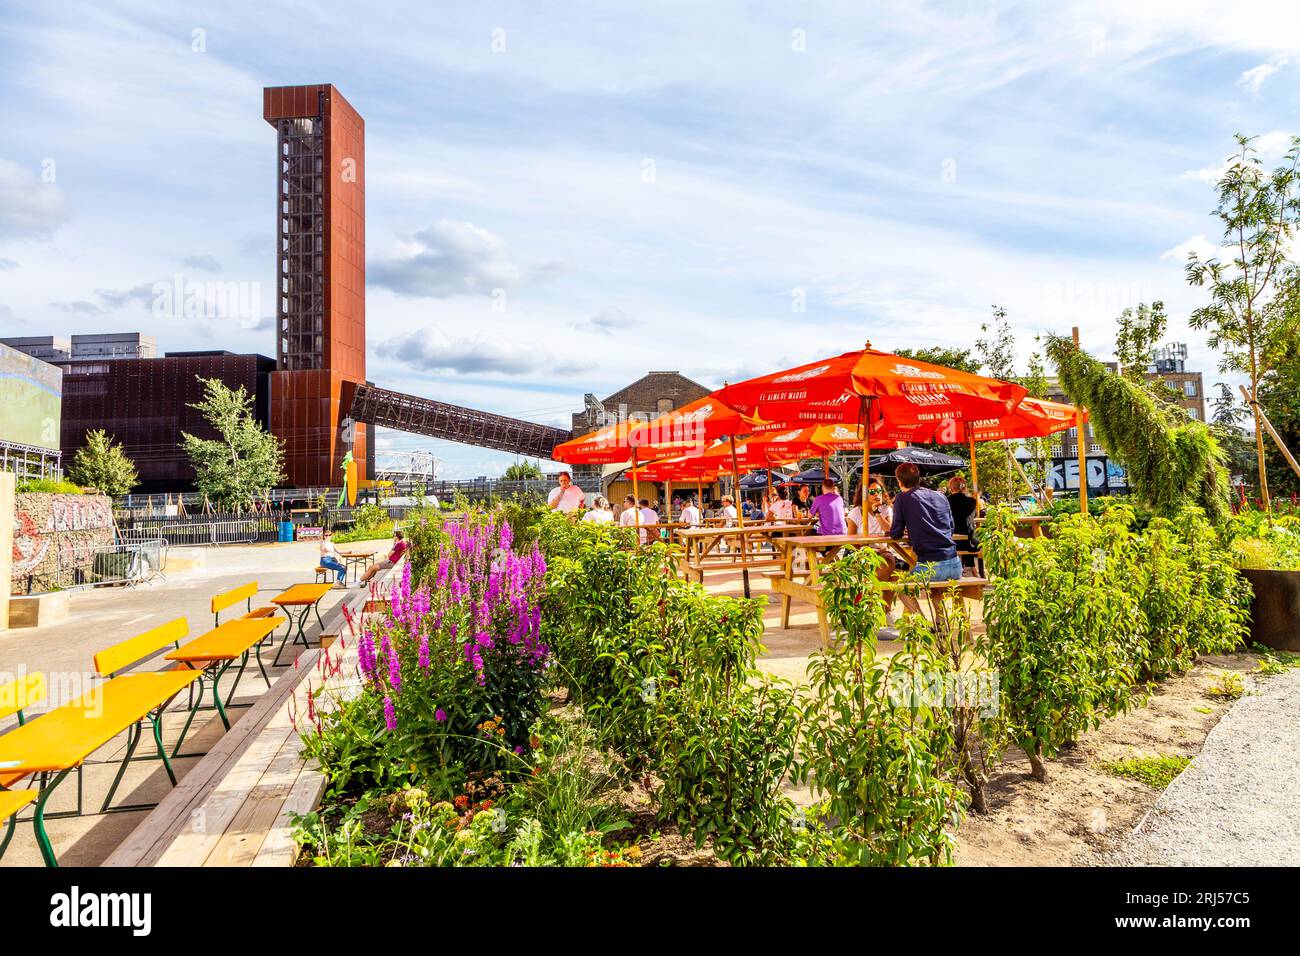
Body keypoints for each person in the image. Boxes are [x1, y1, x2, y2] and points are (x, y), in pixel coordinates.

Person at [889, 463, 960, 584]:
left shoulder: (902, 498)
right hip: (955, 564)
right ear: (918, 478)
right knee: (936, 593)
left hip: (930, 566)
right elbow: (951, 528)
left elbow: (895, 534)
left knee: (897, 586)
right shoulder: (941, 496)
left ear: (899, 482)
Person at [946, 475, 980, 574]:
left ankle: (966, 568)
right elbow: (974, 516)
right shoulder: (972, 501)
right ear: (964, 487)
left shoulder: (946, 501)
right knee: (967, 531)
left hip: (951, 542)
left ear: (951, 488)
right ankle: (971, 567)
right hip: (971, 542)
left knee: (959, 532)